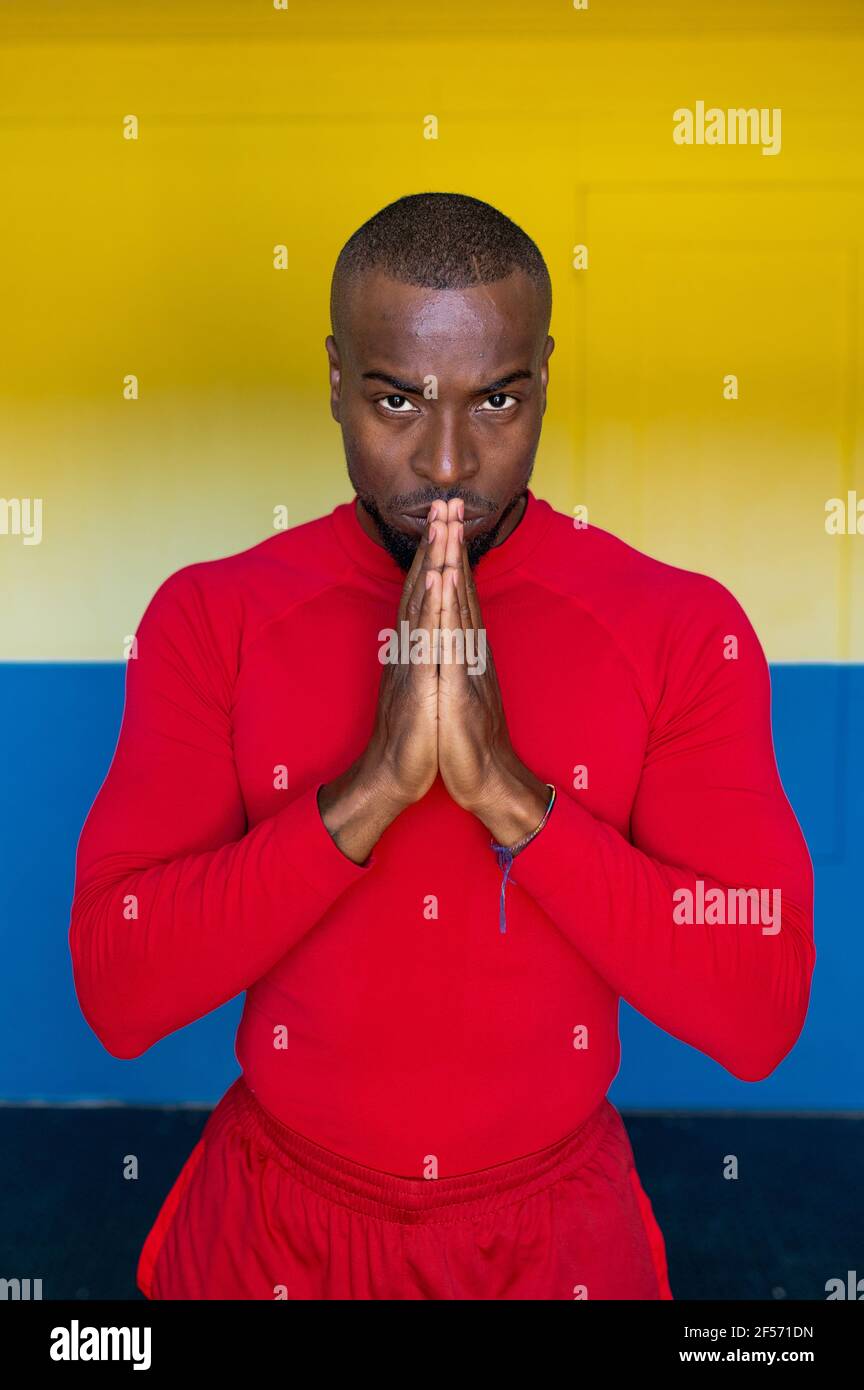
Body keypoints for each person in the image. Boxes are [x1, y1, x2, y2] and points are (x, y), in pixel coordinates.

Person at [69, 192, 815, 1301]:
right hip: (273, 1231)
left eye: (497, 399)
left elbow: (758, 1013)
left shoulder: (677, 628)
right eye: (395, 400)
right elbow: (119, 993)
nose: (450, 460)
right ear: (334, 379)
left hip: (554, 1239)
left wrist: (510, 796)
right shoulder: (209, 618)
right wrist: (369, 792)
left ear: (546, 377)